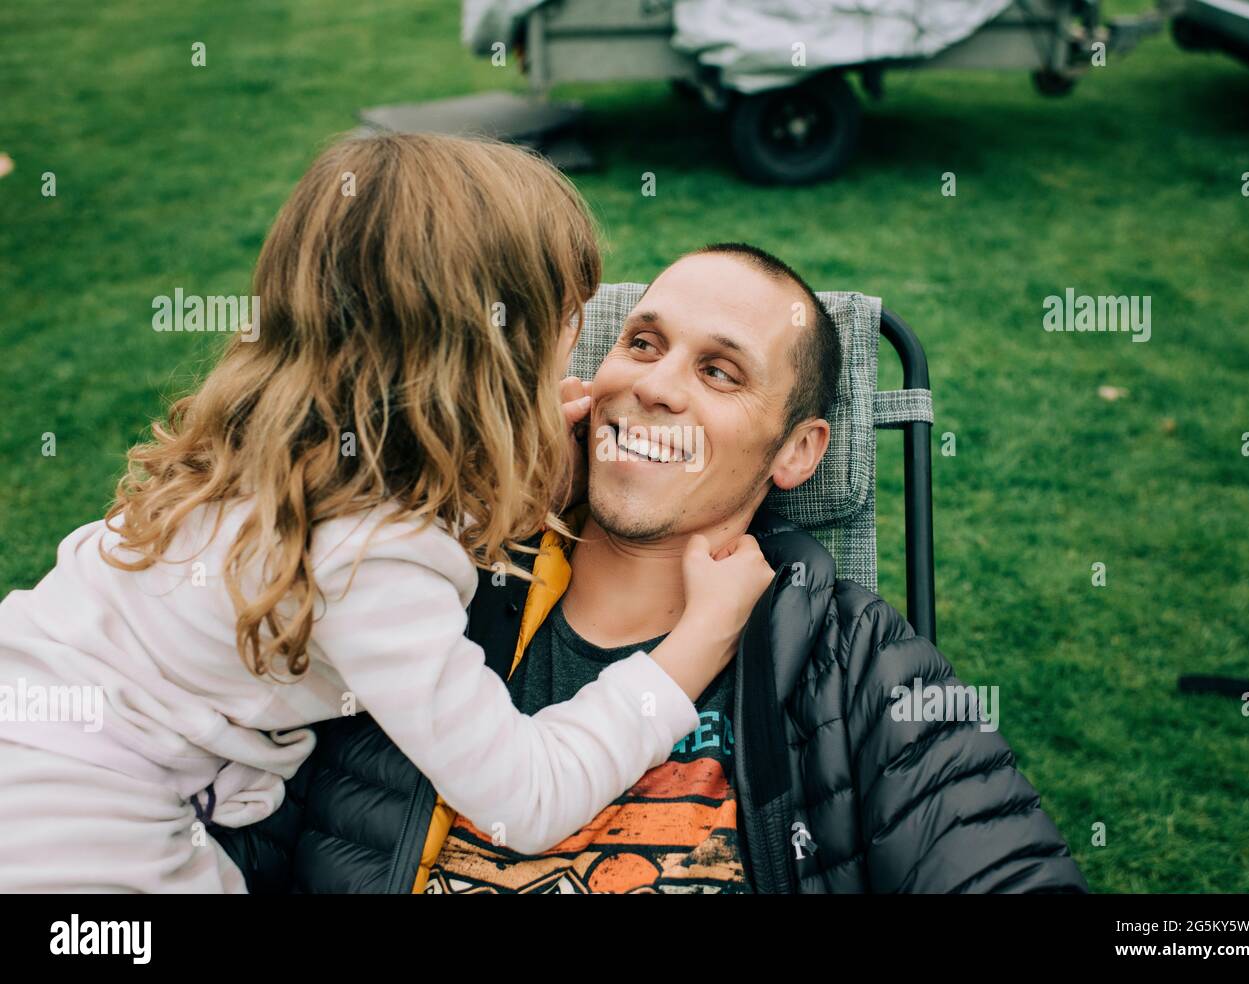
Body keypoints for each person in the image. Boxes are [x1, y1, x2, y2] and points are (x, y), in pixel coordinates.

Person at [0, 135, 773, 893]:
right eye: (565, 328)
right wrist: (702, 636)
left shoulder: (277, 451)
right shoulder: (373, 557)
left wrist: (511, 483)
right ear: (492, 365)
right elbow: (527, 798)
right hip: (73, 833)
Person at [216, 243, 1089, 893]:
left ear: (797, 450)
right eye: (641, 343)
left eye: (719, 371)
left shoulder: (853, 661)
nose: (657, 387)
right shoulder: (417, 593)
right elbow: (215, 807)